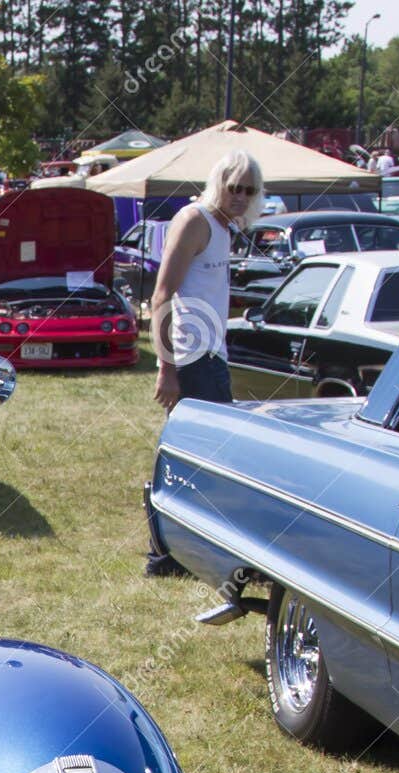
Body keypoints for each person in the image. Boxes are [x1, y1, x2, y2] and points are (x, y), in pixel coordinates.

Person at [145, 150, 263, 576]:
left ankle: (176, 552)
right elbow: (161, 296)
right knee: (196, 459)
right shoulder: (195, 221)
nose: (241, 197)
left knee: (199, 459)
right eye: (234, 188)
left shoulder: (223, 228)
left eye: (249, 191)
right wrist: (167, 367)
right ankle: (165, 553)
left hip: (213, 355)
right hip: (193, 360)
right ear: (219, 183)